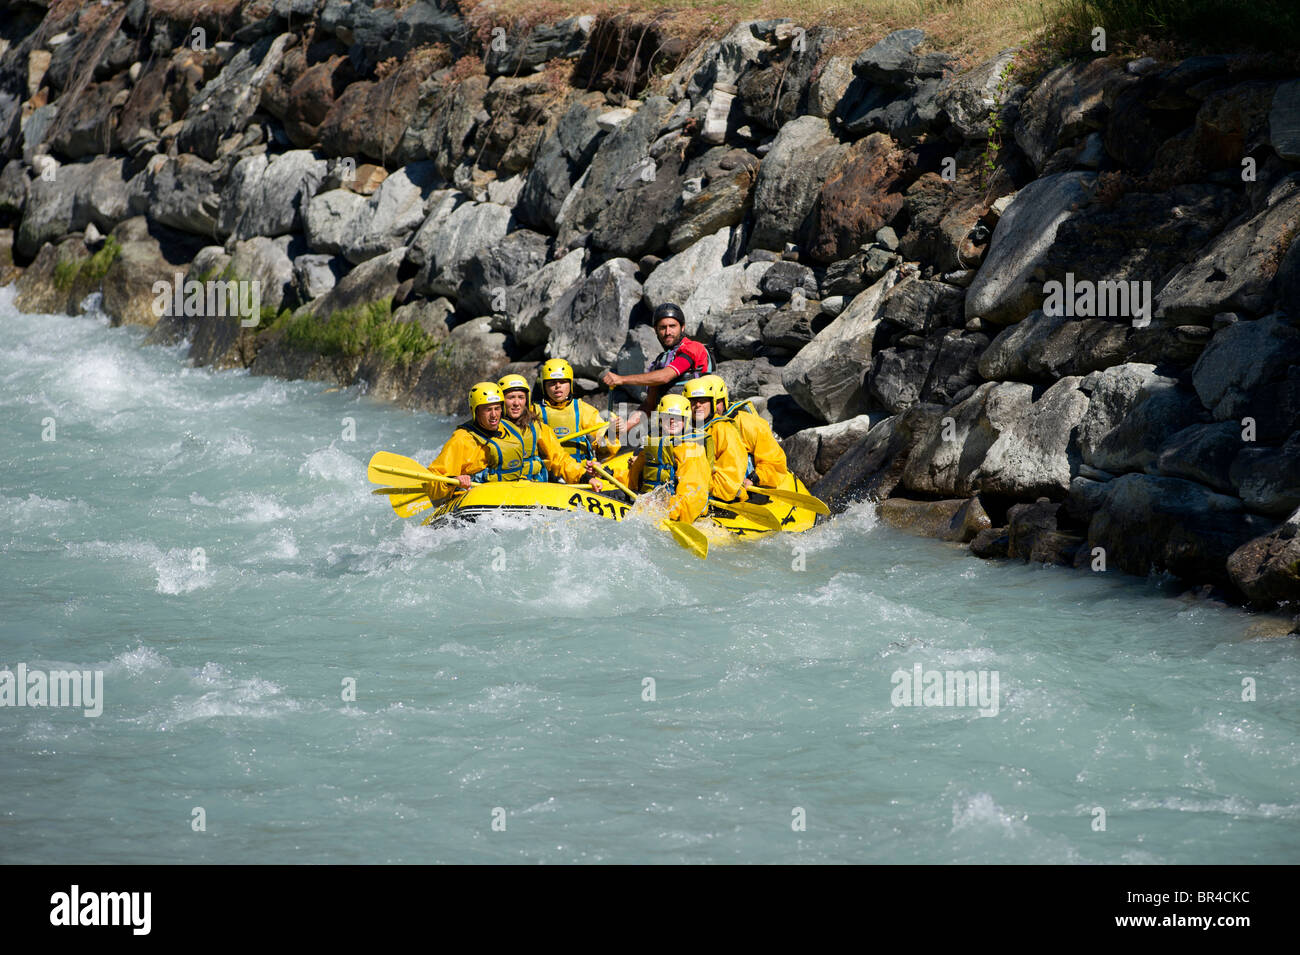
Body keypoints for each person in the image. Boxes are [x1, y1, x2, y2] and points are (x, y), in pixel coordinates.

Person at [425, 381, 601, 492]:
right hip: (481, 494)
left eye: (496, 409)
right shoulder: (462, 438)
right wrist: (453, 481)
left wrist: (585, 476)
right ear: (474, 411)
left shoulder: (519, 429)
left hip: (524, 490)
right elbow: (436, 477)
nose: (494, 415)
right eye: (487, 409)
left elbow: (560, 458)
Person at [599, 302, 713, 437]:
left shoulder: (693, 348)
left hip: (697, 430)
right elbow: (649, 405)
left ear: (682, 327)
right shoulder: (659, 363)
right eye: (662, 328)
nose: (668, 332)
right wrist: (625, 426)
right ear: (656, 330)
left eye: (672, 326)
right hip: (669, 430)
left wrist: (621, 379)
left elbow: (665, 376)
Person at [609, 394, 711, 525]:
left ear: (686, 420)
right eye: (668, 416)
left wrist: (662, 509)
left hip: (669, 511)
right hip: (645, 501)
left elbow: (692, 497)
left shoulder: (692, 451)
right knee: (609, 494)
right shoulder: (655, 443)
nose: (672, 421)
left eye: (678, 418)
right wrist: (611, 474)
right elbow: (634, 479)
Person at [704, 375, 789, 490]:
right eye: (706, 402)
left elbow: (774, 460)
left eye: (717, 402)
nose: (712, 407)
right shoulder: (692, 424)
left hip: (750, 481)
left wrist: (753, 478)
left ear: (724, 400)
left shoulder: (748, 424)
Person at [533, 358, 622, 463]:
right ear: (544, 387)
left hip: (579, 470)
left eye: (562, 382)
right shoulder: (534, 412)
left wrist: (611, 432)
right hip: (548, 472)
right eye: (552, 383)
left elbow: (605, 450)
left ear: (570, 384)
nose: (557, 386)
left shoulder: (583, 410)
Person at [681, 375, 749, 503]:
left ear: (711, 403)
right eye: (693, 401)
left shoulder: (723, 429)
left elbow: (731, 474)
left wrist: (704, 489)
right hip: (687, 489)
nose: (698, 405)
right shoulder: (679, 427)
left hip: (717, 494)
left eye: (703, 400)